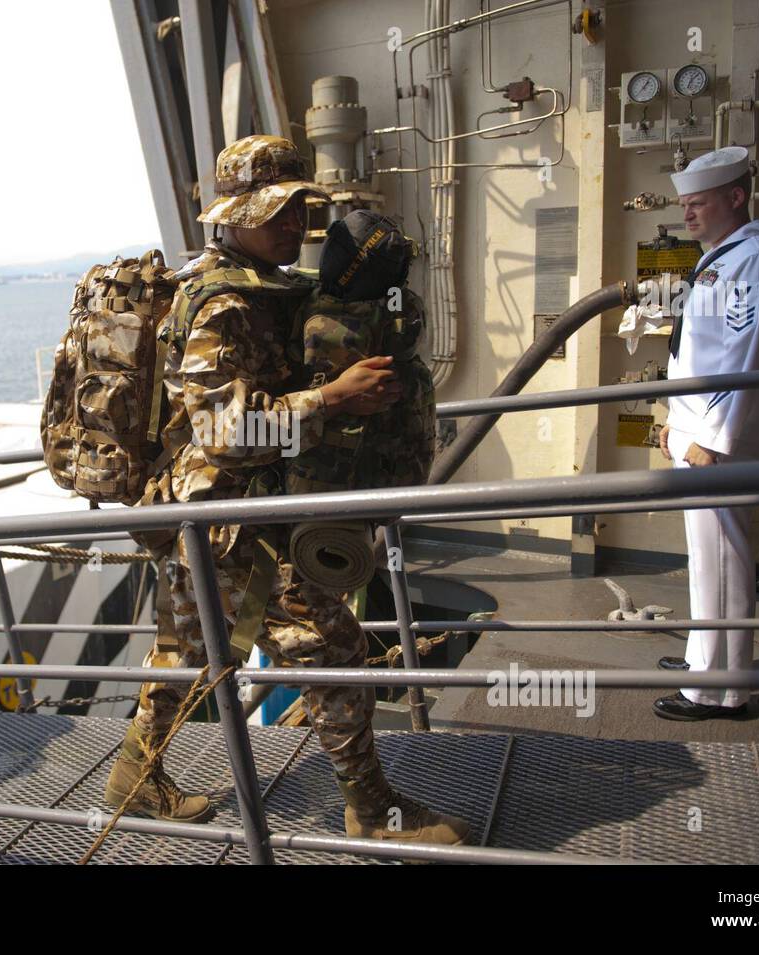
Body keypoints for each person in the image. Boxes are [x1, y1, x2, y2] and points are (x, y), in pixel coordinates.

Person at [106, 135, 469, 846]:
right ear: (232, 215)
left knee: (184, 650)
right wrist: (329, 399)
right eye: (274, 212)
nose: (292, 225)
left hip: (208, 514)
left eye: (302, 210)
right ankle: (372, 809)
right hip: (230, 517)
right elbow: (223, 430)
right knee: (333, 649)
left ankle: (133, 776)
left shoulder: (263, 283)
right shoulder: (220, 306)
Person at [654, 147, 759, 721]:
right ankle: (702, 658)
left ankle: (718, 690)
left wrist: (712, 437)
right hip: (698, 424)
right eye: (685, 205)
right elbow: (701, 348)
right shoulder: (722, 255)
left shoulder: (757, 258)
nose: (687, 216)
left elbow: (749, 352)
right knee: (704, 555)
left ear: (736, 197)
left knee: (723, 554)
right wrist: (676, 419)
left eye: (699, 204)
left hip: (719, 436)